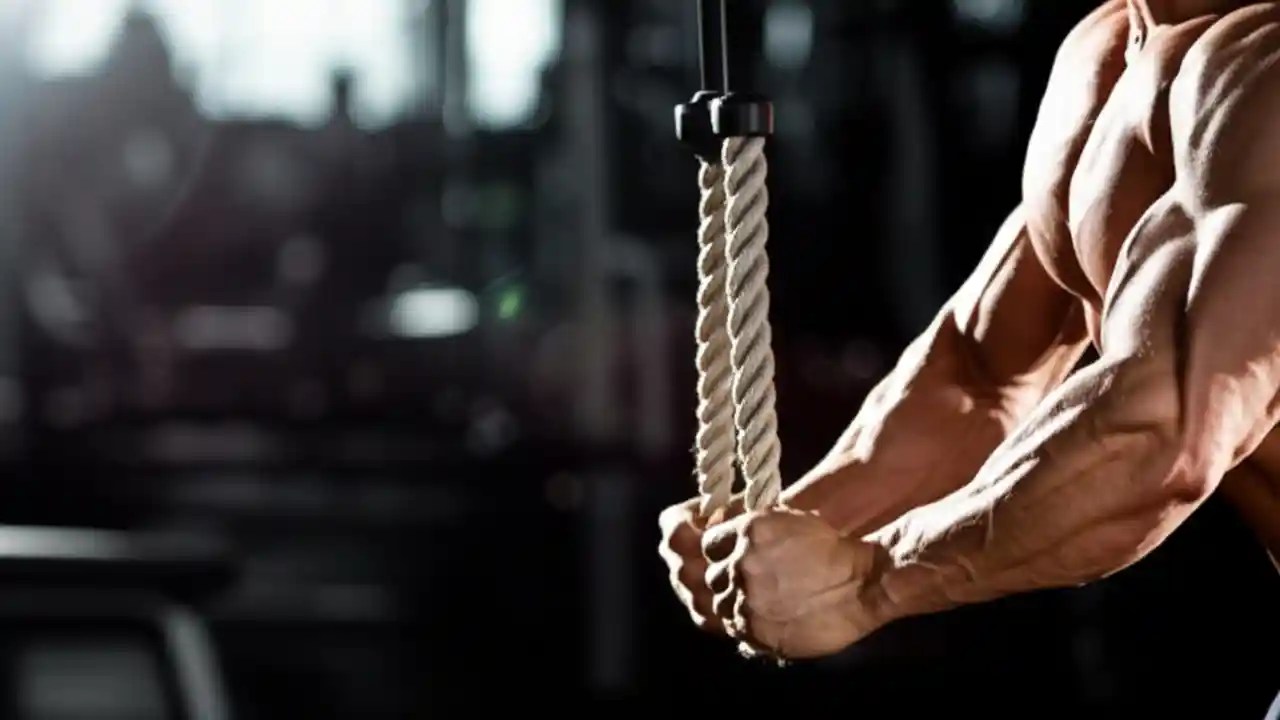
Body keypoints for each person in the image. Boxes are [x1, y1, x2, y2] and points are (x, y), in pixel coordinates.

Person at [659, 0, 1280, 682]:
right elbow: (978, 374)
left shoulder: (1266, 72)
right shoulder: (1107, 53)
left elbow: (1164, 430)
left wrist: (870, 581)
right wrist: (788, 535)